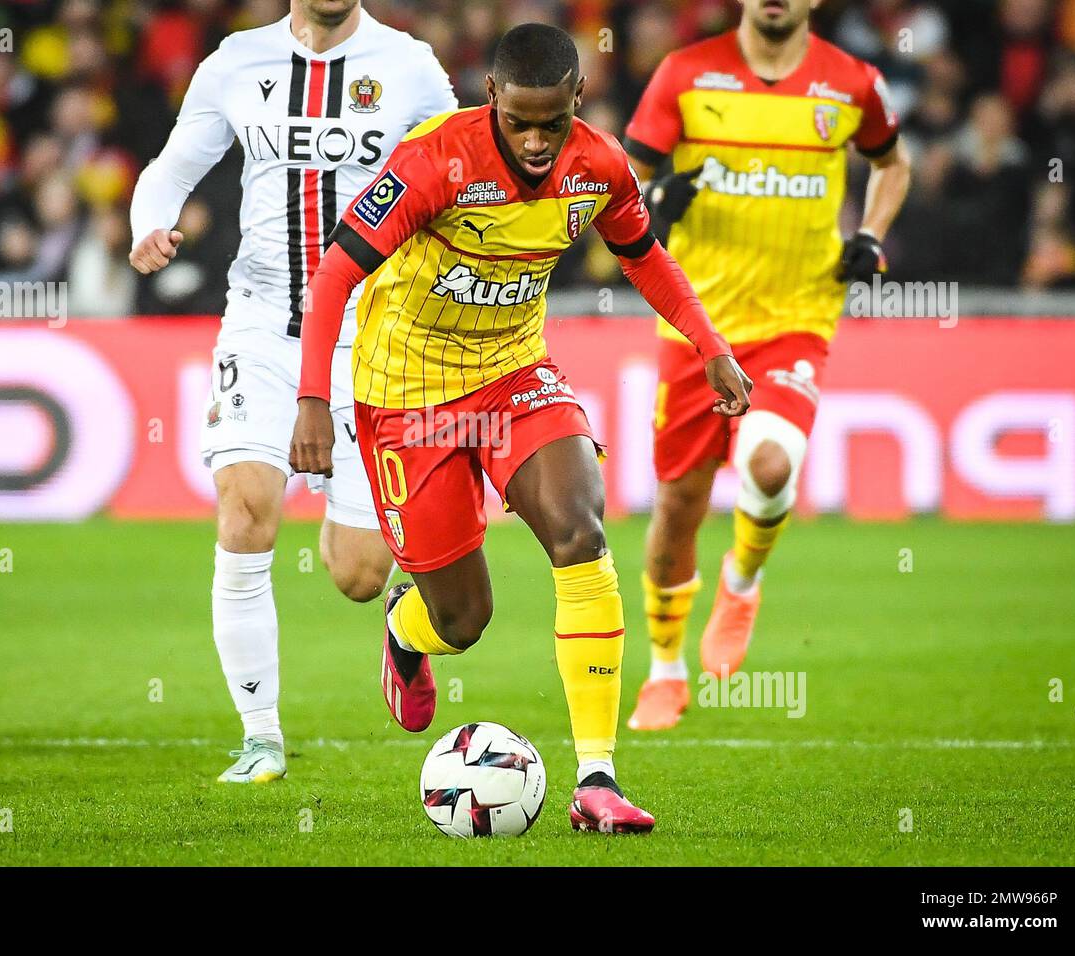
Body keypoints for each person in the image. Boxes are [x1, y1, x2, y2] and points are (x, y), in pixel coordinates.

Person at [290, 23, 751, 833]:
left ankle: (597, 780)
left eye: (553, 123)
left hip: (514, 375)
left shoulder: (600, 164)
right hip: (408, 396)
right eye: (519, 124)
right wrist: (310, 402)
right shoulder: (436, 161)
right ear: (491, 99)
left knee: (581, 530)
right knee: (463, 621)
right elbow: (336, 272)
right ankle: (407, 631)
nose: (537, 143)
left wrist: (708, 345)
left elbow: (644, 253)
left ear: (579, 99)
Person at [127, 0, 455, 784]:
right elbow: (170, 168)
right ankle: (261, 737)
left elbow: (463, 168)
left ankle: (404, 633)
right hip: (263, 323)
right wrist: (151, 222)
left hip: (372, 336)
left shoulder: (409, 66)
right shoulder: (236, 61)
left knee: (357, 574)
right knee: (244, 509)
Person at [622, 0, 911, 731]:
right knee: (678, 508)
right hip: (697, 326)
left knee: (773, 465)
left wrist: (871, 233)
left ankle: (741, 582)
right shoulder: (685, 75)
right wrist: (654, 199)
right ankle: (664, 670)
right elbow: (619, 180)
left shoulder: (852, 83)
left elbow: (892, 163)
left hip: (796, 319)